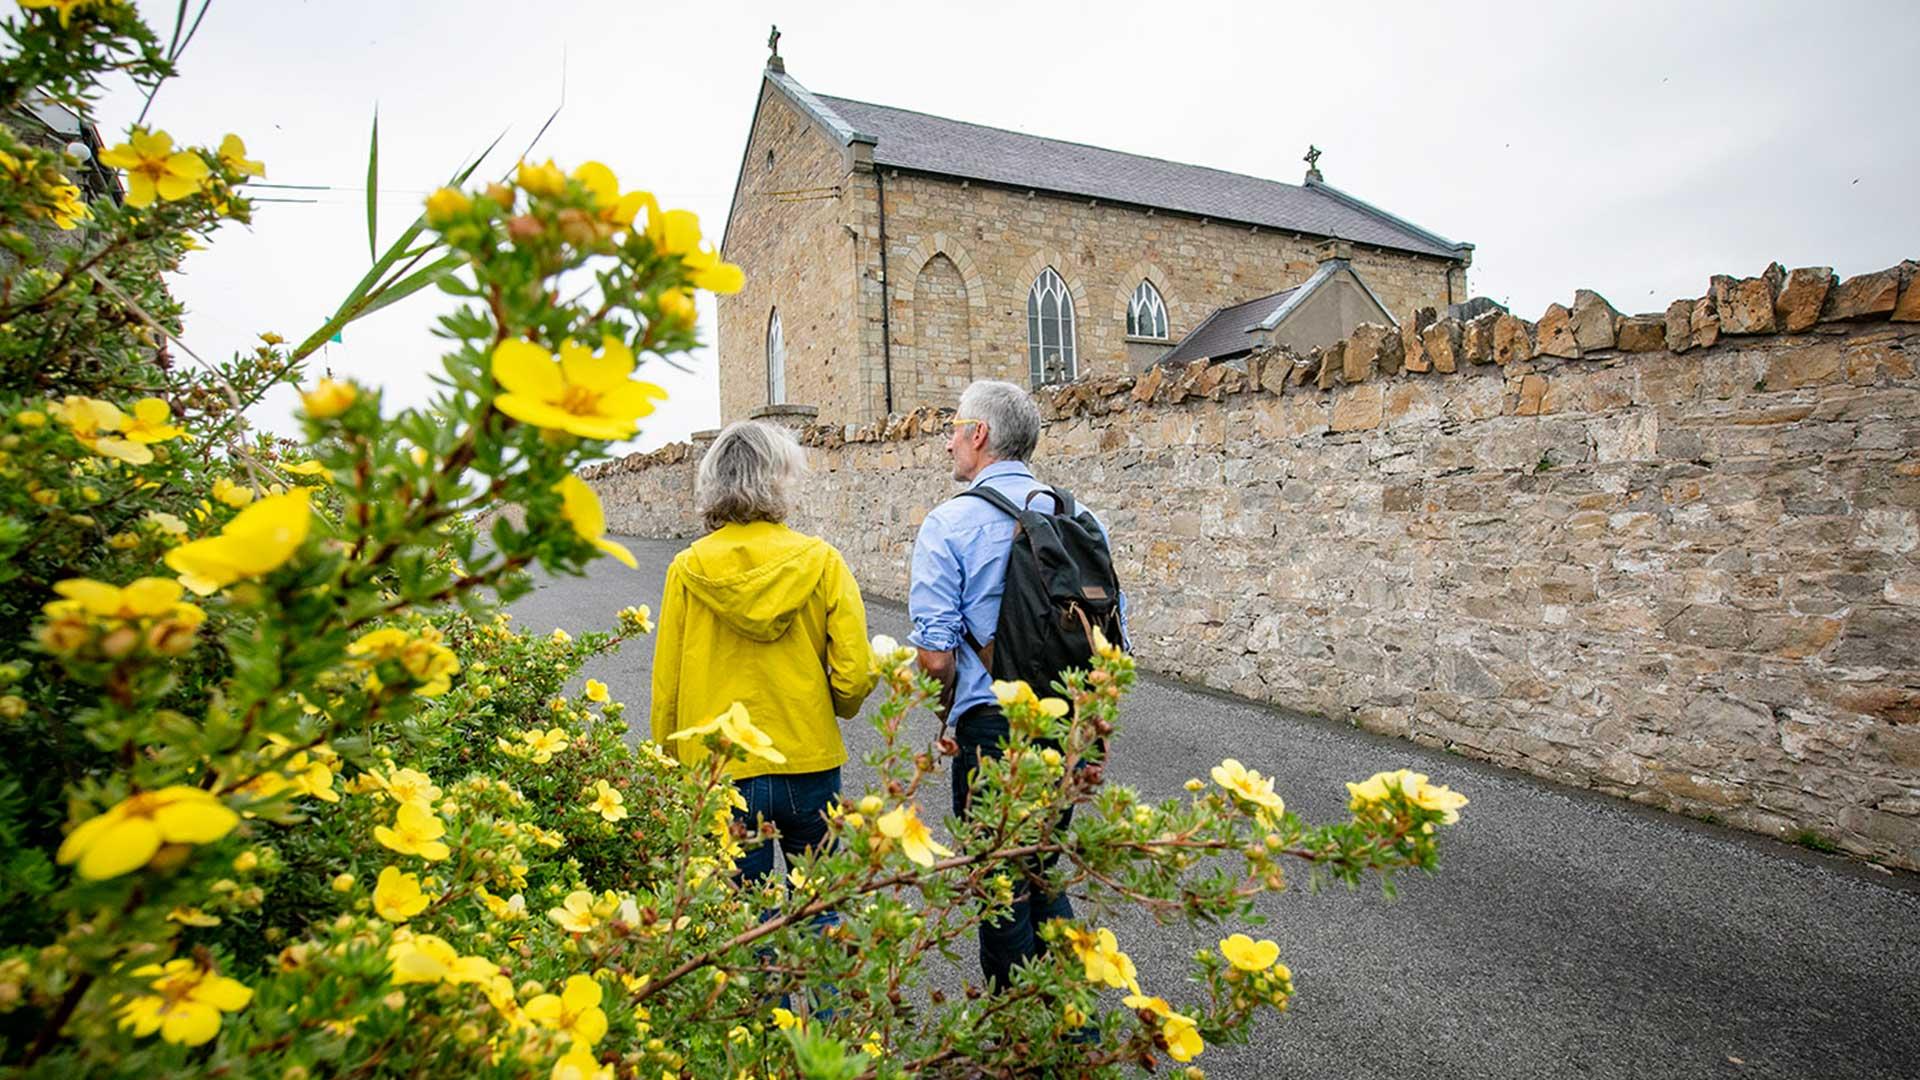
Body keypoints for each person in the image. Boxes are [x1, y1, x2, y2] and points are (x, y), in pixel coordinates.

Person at [908, 379, 1127, 992]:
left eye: (956, 426)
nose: (949, 439)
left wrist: (946, 704)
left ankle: (1022, 1034)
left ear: (979, 436)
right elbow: (1114, 629)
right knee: (1039, 870)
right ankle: (1065, 1020)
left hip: (993, 731)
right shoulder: (1080, 518)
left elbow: (933, 657)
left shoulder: (948, 523)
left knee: (998, 883)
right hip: (1067, 721)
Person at [650, 420, 877, 884]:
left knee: (738, 923)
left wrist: (669, 765)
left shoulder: (687, 569)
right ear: (780, 479)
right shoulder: (822, 561)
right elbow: (854, 674)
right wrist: (827, 708)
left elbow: (667, 688)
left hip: (718, 769)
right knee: (818, 911)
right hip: (807, 759)